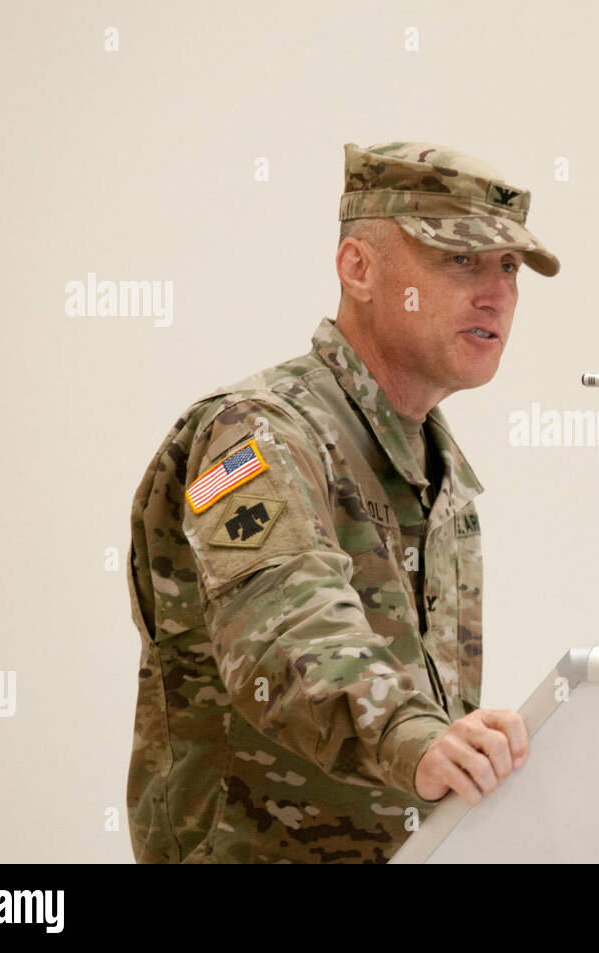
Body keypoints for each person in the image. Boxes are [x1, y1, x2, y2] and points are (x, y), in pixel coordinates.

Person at [125, 140, 561, 863]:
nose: (496, 293)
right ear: (357, 268)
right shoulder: (255, 435)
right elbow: (286, 629)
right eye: (459, 259)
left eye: (509, 266)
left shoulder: (439, 472)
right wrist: (410, 733)